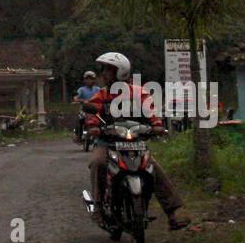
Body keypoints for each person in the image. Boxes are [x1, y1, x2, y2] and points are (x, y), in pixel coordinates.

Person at [83, 52, 189, 231]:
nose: (104, 73)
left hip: (135, 142)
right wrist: (93, 127)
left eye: (109, 69)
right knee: (97, 163)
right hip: (107, 143)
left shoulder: (139, 93)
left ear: (120, 72)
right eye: (104, 69)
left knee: (153, 168)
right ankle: (99, 208)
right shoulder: (102, 95)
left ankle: (172, 214)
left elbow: (152, 113)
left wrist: (156, 126)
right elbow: (91, 115)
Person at [73, 70, 100, 143]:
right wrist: (81, 100)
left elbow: (103, 97)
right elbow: (76, 98)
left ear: (94, 80)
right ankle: (78, 135)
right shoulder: (81, 89)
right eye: (87, 79)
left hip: (95, 111)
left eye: (91, 78)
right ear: (84, 80)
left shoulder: (97, 89)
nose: (89, 80)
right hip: (84, 110)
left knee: (102, 120)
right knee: (80, 119)